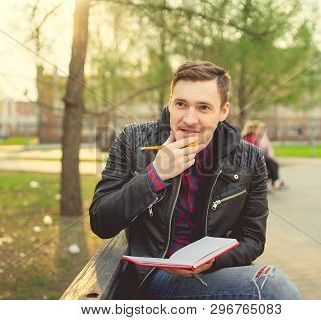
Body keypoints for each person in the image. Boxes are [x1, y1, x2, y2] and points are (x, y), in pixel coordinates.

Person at [89, 61, 301, 300]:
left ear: (223, 111)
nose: (189, 119)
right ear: (170, 103)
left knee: (270, 285)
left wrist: (211, 261)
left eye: (203, 108)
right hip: (153, 274)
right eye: (181, 104)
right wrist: (155, 175)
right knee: (274, 288)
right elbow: (101, 221)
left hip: (215, 273)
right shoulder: (133, 139)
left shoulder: (250, 159)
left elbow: (253, 239)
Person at [242, 121, 285, 190]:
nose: (258, 130)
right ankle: (274, 182)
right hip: (251, 159)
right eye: (257, 128)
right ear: (253, 129)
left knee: (272, 164)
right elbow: (253, 151)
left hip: (255, 157)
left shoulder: (252, 137)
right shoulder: (249, 138)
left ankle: (274, 181)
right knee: (270, 165)